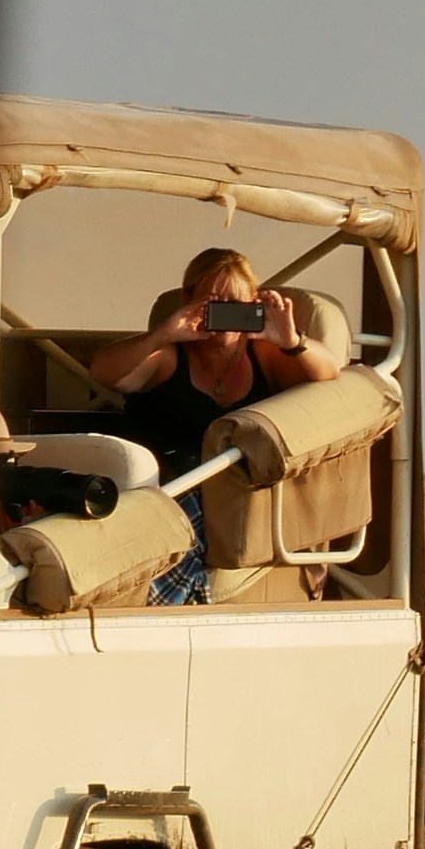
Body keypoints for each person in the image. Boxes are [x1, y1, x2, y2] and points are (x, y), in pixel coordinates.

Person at [90, 246, 345, 604]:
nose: (227, 317)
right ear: (188, 300)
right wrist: (163, 334)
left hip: (229, 494)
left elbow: (328, 371)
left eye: (238, 306)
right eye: (215, 304)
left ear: (254, 305)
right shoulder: (167, 357)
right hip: (158, 487)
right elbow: (104, 372)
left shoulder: (265, 355)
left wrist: (292, 342)